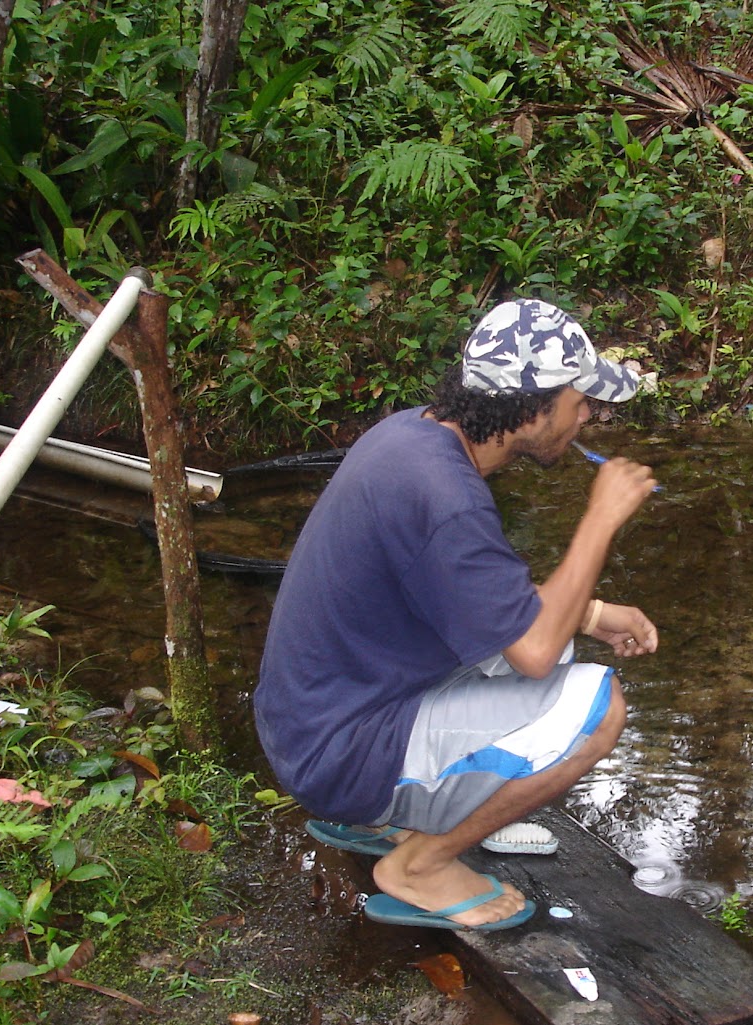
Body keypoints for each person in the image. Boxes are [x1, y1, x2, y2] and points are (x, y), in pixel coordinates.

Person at [253, 298, 659, 932]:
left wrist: (590, 613)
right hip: (339, 753)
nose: (588, 416)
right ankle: (420, 865)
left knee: (556, 634)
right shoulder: (446, 496)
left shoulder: (412, 437)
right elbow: (533, 654)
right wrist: (600, 519)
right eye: (579, 400)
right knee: (597, 709)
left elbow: (468, 587)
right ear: (532, 408)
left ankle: (388, 817)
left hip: (311, 724)